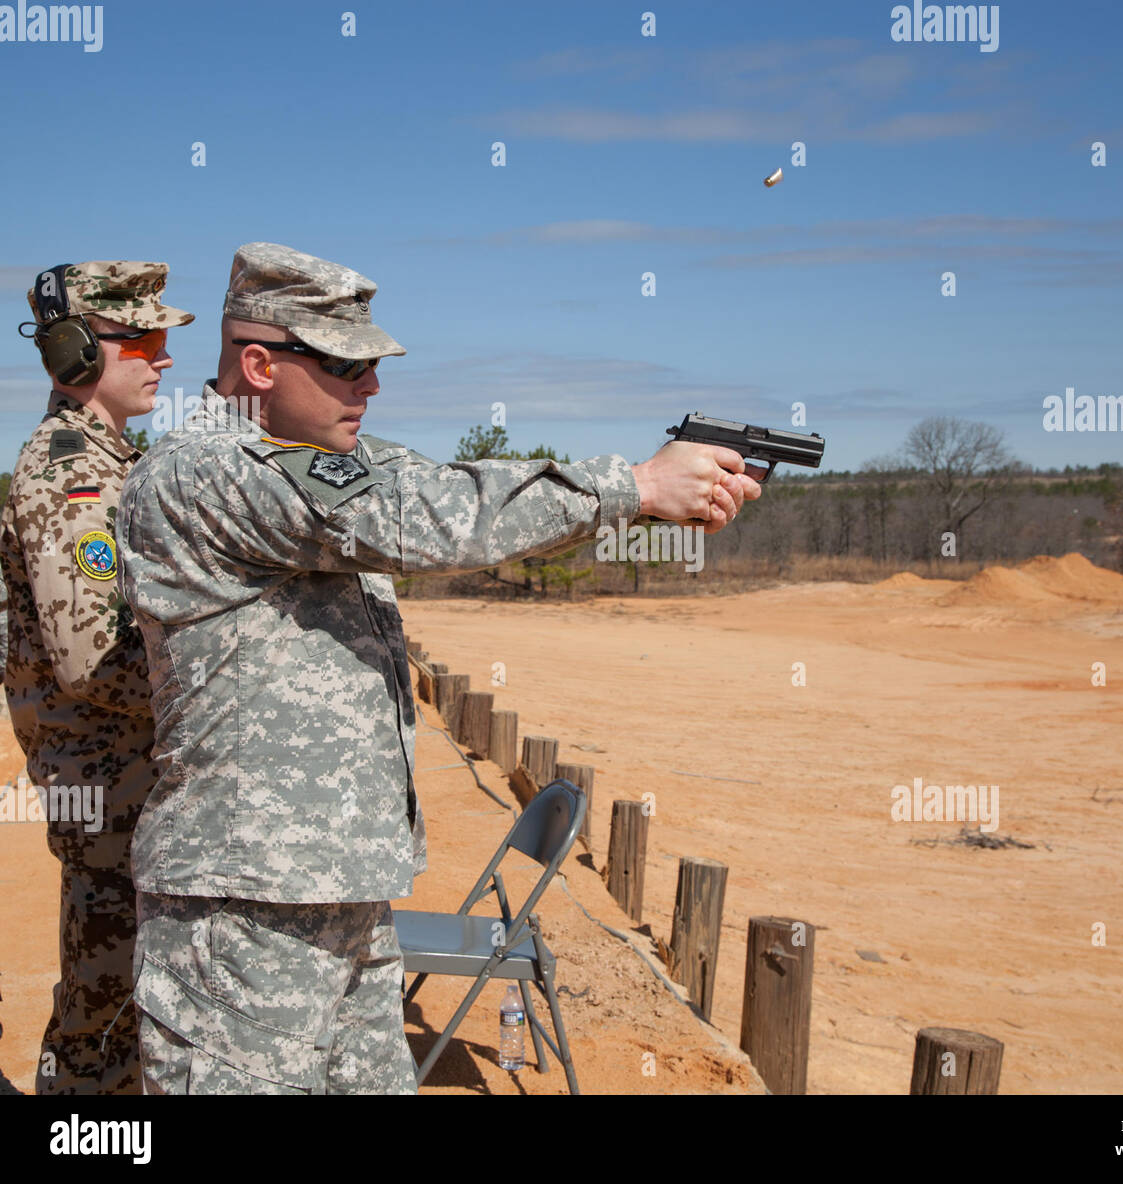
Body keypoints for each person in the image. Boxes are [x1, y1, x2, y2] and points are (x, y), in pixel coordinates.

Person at [116, 241, 760, 1094]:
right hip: (243, 903)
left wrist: (654, 490)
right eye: (347, 365)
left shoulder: (311, 465)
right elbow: (428, 514)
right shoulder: (205, 466)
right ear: (260, 364)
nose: (370, 386)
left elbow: (457, 484)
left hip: (337, 884)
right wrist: (634, 486)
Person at [1, 261, 192, 1093]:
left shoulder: (107, 458)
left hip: (125, 777)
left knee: (123, 1000)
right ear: (78, 353)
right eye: (143, 338)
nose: (163, 356)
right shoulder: (69, 470)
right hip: (108, 779)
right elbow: (94, 660)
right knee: (105, 1008)